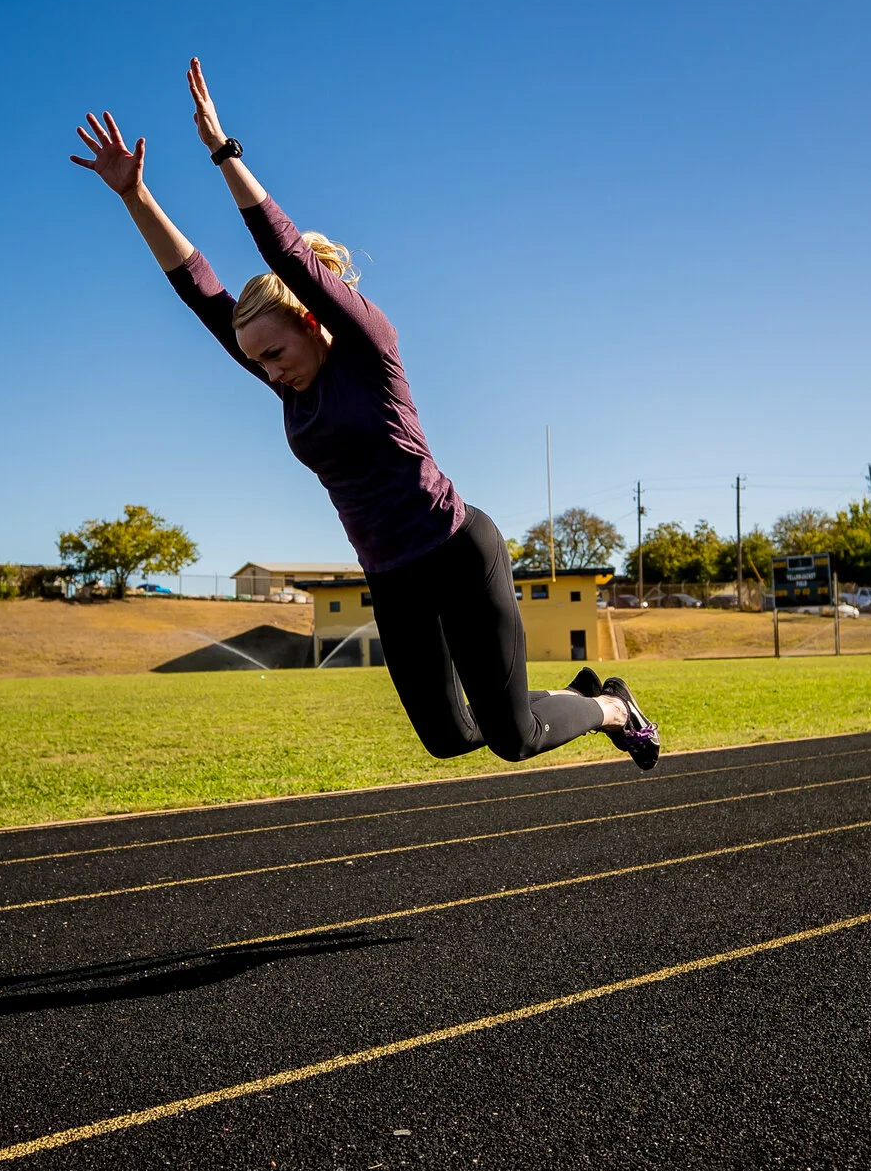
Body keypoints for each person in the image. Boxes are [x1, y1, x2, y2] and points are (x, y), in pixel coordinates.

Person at [71, 60, 661, 769]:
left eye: (274, 351)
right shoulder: (291, 387)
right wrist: (136, 195)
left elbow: (285, 252)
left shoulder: (369, 350)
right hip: (392, 576)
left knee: (513, 739)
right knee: (448, 737)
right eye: (256, 361)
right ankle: (576, 698)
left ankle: (609, 705)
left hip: (457, 553)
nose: (268, 370)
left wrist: (223, 154)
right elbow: (199, 291)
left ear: (312, 320)